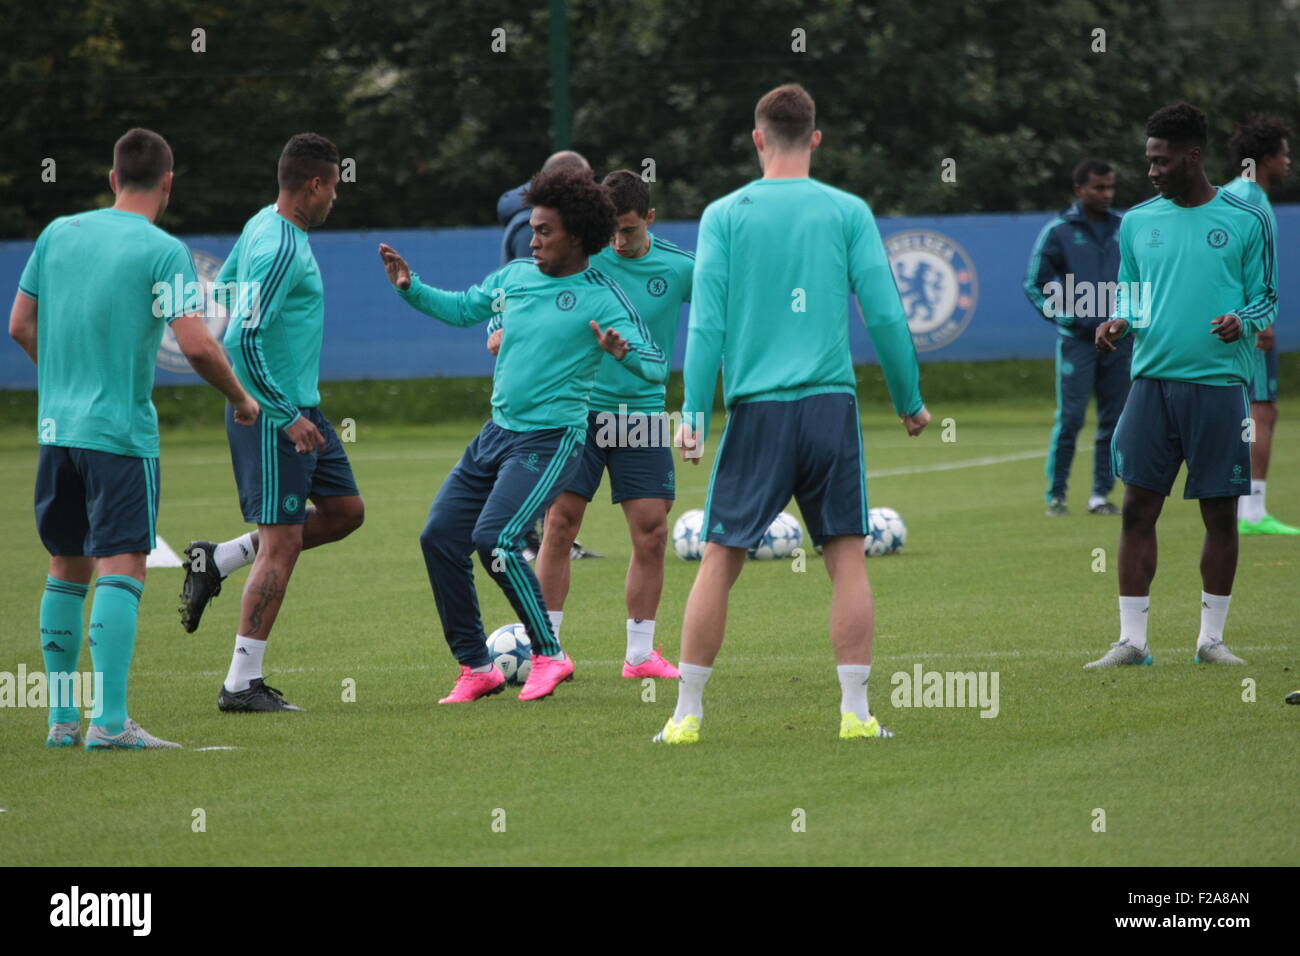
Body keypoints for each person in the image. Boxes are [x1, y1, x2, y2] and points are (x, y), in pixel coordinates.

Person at [654, 83, 929, 745]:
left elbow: (708, 324)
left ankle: (686, 716)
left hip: (758, 414)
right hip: (829, 408)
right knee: (848, 560)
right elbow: (887, 313)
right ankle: (856, 716)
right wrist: (909, 400)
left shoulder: (724, 214)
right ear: (815, 138)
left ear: (756, 138)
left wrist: (692, 411)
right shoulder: (847, 210)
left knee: (720, 558)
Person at [9, 128, 259, 749]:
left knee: (65, 568)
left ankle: (61, 720)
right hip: (118, 435)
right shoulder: (162, 250)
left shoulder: (57, 233)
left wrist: (66, 382)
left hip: (56, 431)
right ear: (168, 184)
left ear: (112, 178)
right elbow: (197, 342)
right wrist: (240, 398)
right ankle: (111, 723)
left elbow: (19, 324)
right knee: (122, 567)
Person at [379, 168, 668, 703]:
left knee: (497, 539)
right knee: (439, 536)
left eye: (543, 232)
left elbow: (656, 361)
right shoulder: (514, 277)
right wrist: (410, 288)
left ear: (577, 236)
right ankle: (476, 666)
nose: (532, 240)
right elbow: (464, 307)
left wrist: (624, 354)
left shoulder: (601, 296)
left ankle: (550, 653)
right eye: (531, 230)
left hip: (551, 440)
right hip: (495, 435)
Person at [179, 133, 365, 713]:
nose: (336, 197)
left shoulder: (263, 221)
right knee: (281, 545)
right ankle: (241, 685)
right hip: (273, 414)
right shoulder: (282, 245)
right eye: (334, 185)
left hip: (299, 406)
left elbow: (231, 288)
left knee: (344, 513)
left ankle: (221, 558)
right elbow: (242, 335)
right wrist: (282, 415)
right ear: (314, 184)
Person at [1088, 103, 1275, 669]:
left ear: (1192, 157)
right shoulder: (1139, 222)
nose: (1151, 171)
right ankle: (1132, 642)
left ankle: (1210, 640)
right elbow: (1131, 292)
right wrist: (1120, 318)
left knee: (1220, 514)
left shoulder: (1247, 219)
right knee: (1136, 509)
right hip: (1151, 385)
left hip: (1219, 387)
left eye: (1161, 161)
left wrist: (1243, 321)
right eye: (1148, 161)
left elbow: (1266, 297)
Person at [518, 170, 694, 679]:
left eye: (629, 231)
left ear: (651, 220)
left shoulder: (681, 268)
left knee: (652, 533)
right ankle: (547, 652)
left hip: (640, 414)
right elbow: (518, 288)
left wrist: (696, 411)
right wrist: (497, 326)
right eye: (611, 231)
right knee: (560, 526)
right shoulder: (584, 259)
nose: (618, 241)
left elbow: (717, 323)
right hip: (579, 411)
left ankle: (639, 655)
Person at [495, 150, 600, 560]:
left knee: (543, 438)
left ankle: (535, 534)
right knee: (536, 439)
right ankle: (524, 536)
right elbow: (519, 291)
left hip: (537, 345)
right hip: (529, 347)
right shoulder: (532, 229)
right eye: (588, 181)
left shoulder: (533, 219)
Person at [1024, 159, 1130, 516]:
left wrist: (1131, 317)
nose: (1106, 194)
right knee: (1070, 419)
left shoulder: (1124, 227)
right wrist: (1065, 316)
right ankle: (1056, 494)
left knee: (1114, 420)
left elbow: (1145, 276)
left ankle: (1100, 494)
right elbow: (1035, 284)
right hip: (1079, 341)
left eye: (1110, 187)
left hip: (1119, 340)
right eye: (1099, 188)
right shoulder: (1060, 231)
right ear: (1079, 190)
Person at [1224, 116, 1296, 535]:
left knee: (1239, 410)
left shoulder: (1231, 194)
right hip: (1248, 322)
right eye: (1284, 153)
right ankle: (1251, 512)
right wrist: (1260, 321)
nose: (1289, 161)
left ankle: (1238, 505)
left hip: (1232, 318)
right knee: (1262, 409)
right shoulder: (1253, 200)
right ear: (1267, 158)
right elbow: (1241, 264)